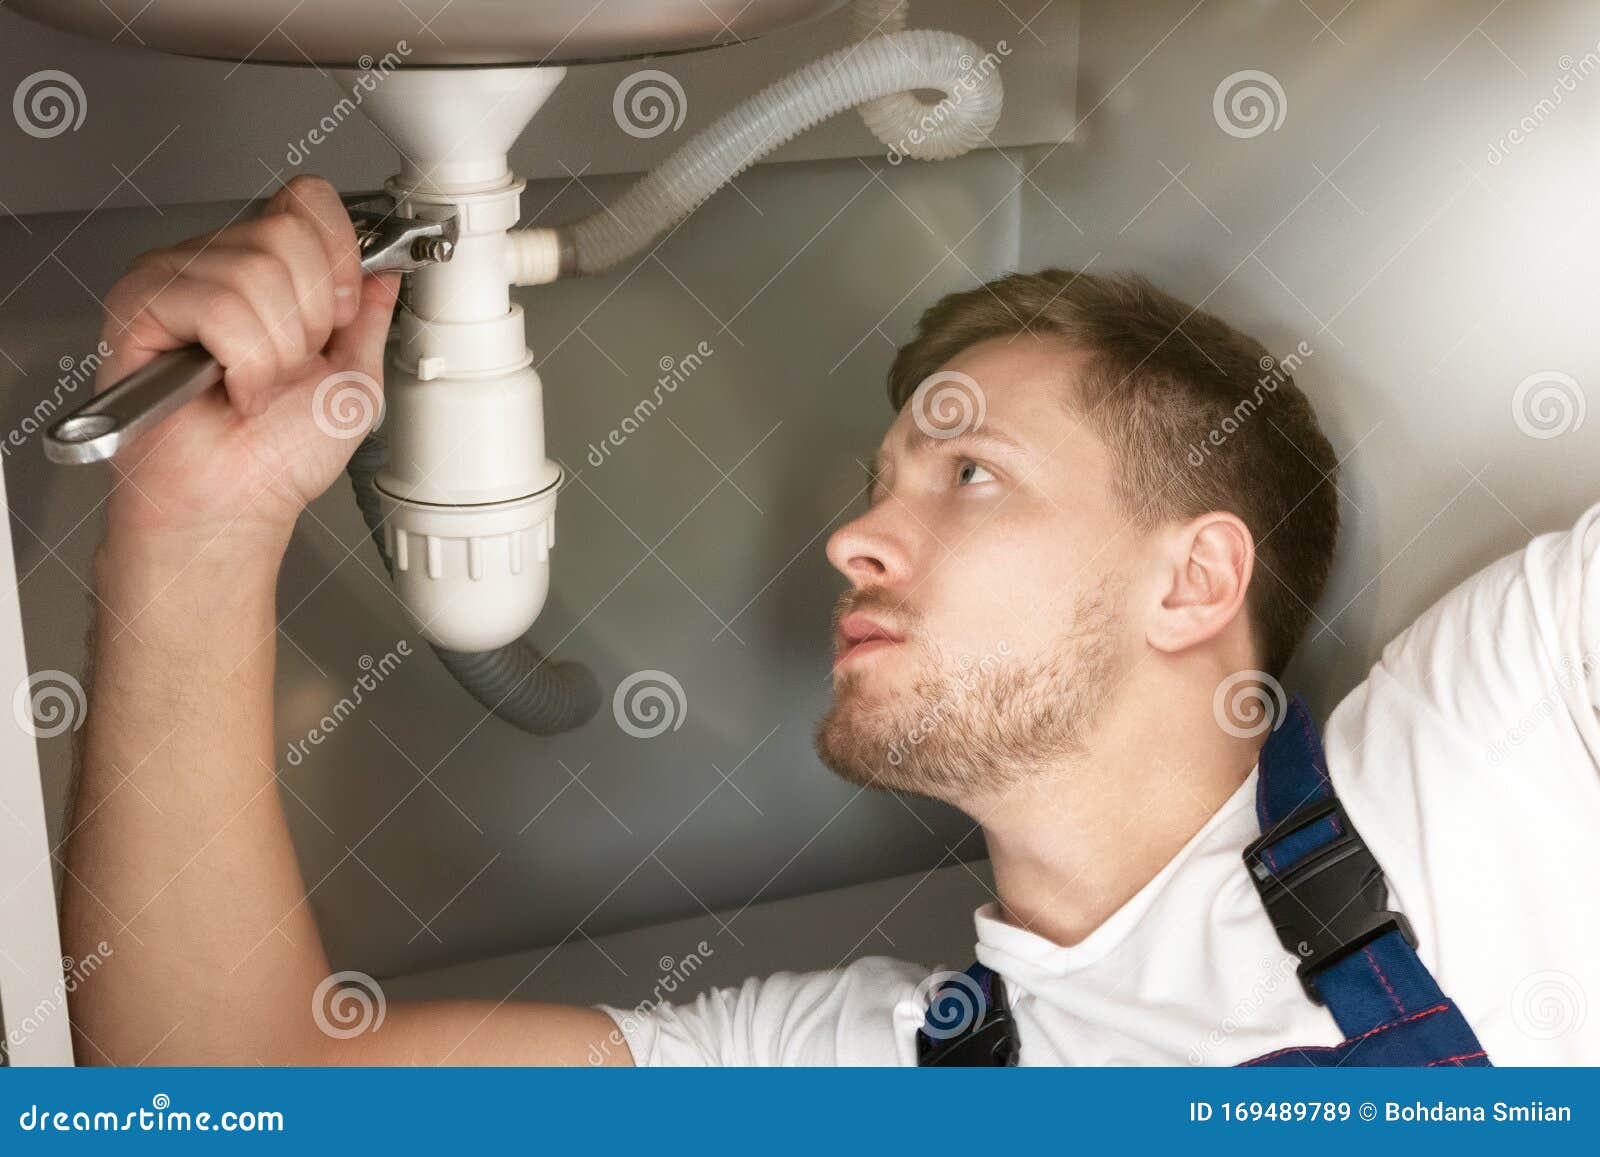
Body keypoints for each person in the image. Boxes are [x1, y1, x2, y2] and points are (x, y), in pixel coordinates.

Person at [63, 176, 1600, 1066]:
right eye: (883, 486)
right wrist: (195, 522)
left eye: (969, 472)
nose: (854, 538)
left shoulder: (1485, 752)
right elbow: (232, 1089)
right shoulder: (857, 1060)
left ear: (1192, 582)